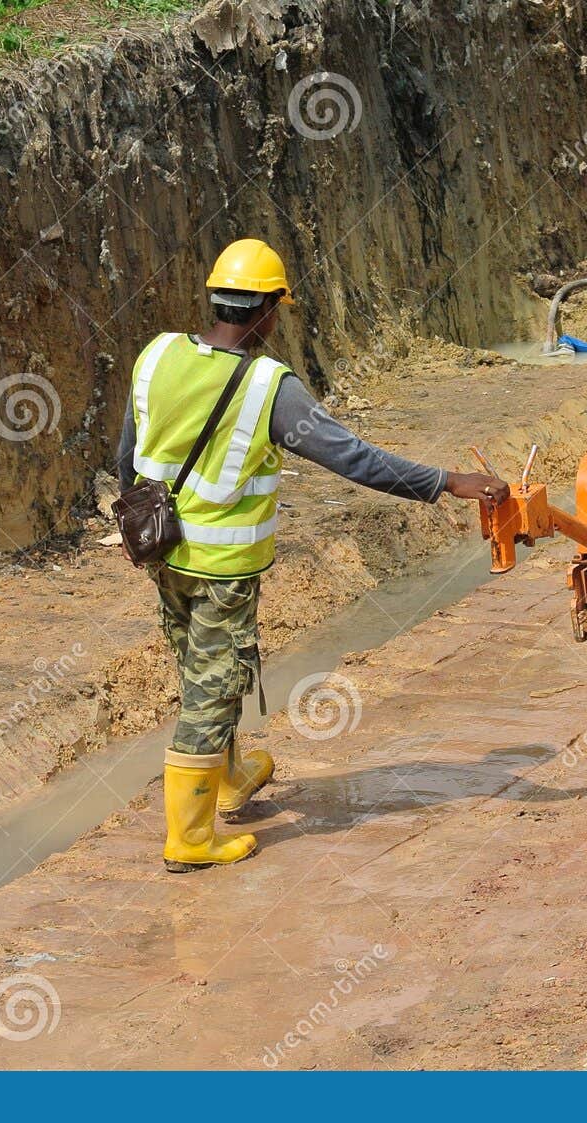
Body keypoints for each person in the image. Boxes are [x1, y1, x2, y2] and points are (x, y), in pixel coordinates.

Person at [115, 238, 510, 873]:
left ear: (217, 298)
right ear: (268, 312)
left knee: (202, 667)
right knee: (212, 689)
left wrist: (144, 522)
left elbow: (127, 456)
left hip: (160, 551)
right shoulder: (270, 387)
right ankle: (190, 838)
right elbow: (353, 459)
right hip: (222, 570)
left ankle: (231, 776)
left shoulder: (156, 355)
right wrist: (446, 482)